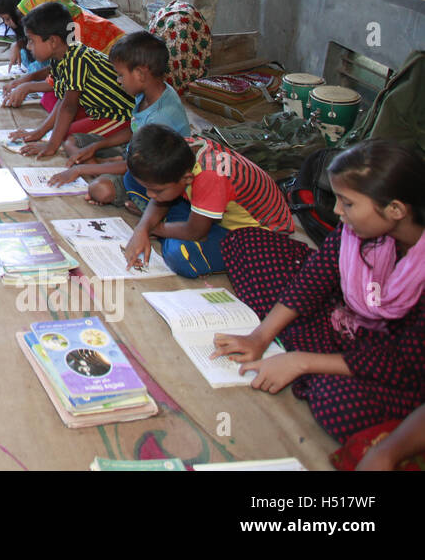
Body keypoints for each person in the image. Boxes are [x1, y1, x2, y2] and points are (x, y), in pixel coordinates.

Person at [211, 140, 425, 444]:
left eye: (347, 203)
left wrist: (301, 361)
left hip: (398, 363)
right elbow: (316, 275)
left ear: (396, 210)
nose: (337, 211)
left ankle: (305, 361)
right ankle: (302, 353)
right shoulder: (360, 230)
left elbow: (404, 364)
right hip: (346, 321)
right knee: (248, 244)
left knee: (338, 403)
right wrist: (260, 336)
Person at [123, 124, 296, 278]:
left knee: (181, 255)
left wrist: (151, 228)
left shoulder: (211, 176)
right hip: (209, 208)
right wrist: (142, 228)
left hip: (259, 234)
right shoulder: (181, 151)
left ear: (187, 178)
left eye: (157, 191)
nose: (150, 194)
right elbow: (158, 189)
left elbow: (196, 232)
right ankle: (174, 223)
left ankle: (170, 225)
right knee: (132, 177)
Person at [49, 30, 192, 204]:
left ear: (140, 74)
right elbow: (134, 131)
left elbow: (139, 165)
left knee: (100, 190)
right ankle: (102, 165)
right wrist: (97, 145)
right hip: (135, 152)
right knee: (73, 142)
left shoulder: (161, 117)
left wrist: (79, 169)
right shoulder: (146, 93)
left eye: (121, 75)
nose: (118, 80)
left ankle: (102, 170)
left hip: (153, 170)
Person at [9, 1, 134, 158]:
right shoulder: (60, 56)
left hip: (120, 116)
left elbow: (68, 107)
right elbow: (63, 100)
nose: (28, 46)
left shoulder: (76, 59)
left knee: (68, 135)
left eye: (32, 41)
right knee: (61, 124)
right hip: (97, 107)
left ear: (53, 41)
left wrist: (52, 145)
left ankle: (115, 151)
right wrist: (39, 132)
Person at [0, 0, 125, 108]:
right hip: (82, 77)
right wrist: (27, 80)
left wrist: (28, 85)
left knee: (55, 99)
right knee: (50, 97)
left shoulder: (75, 33)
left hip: (113, 86)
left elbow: (68, 78)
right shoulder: (66, 27)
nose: (28, 44)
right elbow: (59, 68)